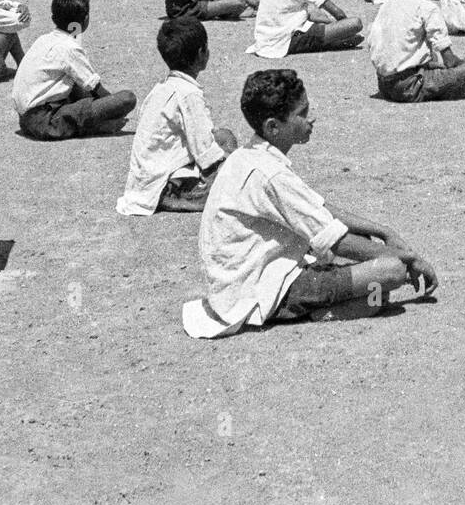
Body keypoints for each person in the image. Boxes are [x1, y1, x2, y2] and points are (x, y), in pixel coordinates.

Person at [181, 68, 439, 337]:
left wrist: (383, 231)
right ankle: (322, 312)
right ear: (273, 127)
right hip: (261, 288)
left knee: (375, 286)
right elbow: (336, 241)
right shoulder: (271, 174)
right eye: (301, 114)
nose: (310, 119)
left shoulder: (253, 156)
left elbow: (319, 209)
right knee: (392, 272)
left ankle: (349, 305)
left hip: (245, 281)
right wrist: (408, 258)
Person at [117, 18, 239, 216]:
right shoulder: (189, 94)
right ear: (201, 53)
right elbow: (206, 151)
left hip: (145, 181)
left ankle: (184, 189)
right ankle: (188, 195)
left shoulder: (161, 88)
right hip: (162, 184)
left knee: (223, 137)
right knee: (235, 163)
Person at [11, 0, 137, 140]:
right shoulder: (70, 47)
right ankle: (98, 125)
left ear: (53, 18)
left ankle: (94, 124)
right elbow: (97, 89)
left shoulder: (44, 39)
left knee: (76, 84)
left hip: (26, 119)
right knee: (127, 98)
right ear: (85, 20)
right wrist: (110, 107)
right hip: (46, 121)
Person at [367, 0, 465, 102]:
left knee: (433, 61)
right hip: (411, 86)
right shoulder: (427, 7)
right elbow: (449, 60)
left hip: (385, 86)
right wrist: (460, 64)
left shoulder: (387, 6)